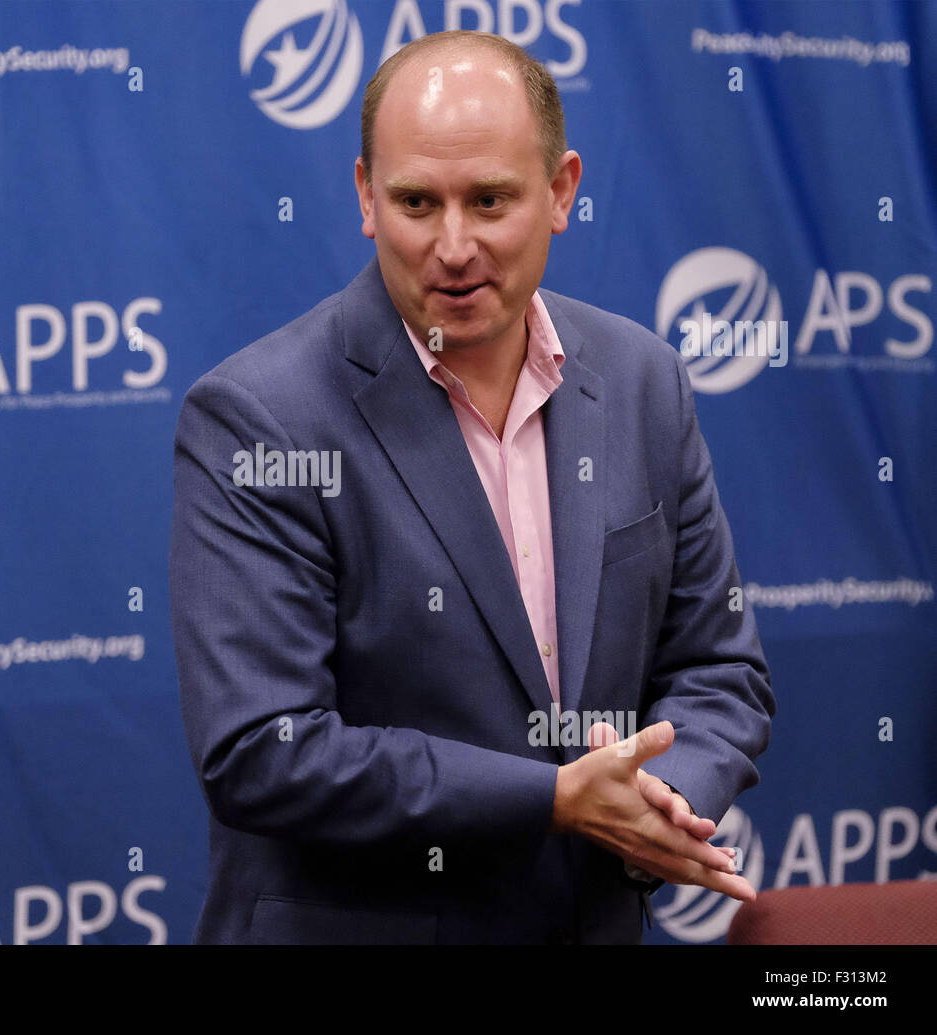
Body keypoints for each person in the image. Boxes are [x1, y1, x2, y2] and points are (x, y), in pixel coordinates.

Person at [169, 29, 774, 944]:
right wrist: (556, 799)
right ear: (367, 196)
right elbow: (264, 749)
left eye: (490, 199)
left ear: (563, 191)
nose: (453, 246)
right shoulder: (257, 416)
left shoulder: (646, 380)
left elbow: (719, 668)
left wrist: (659, 796)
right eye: (417, 201)